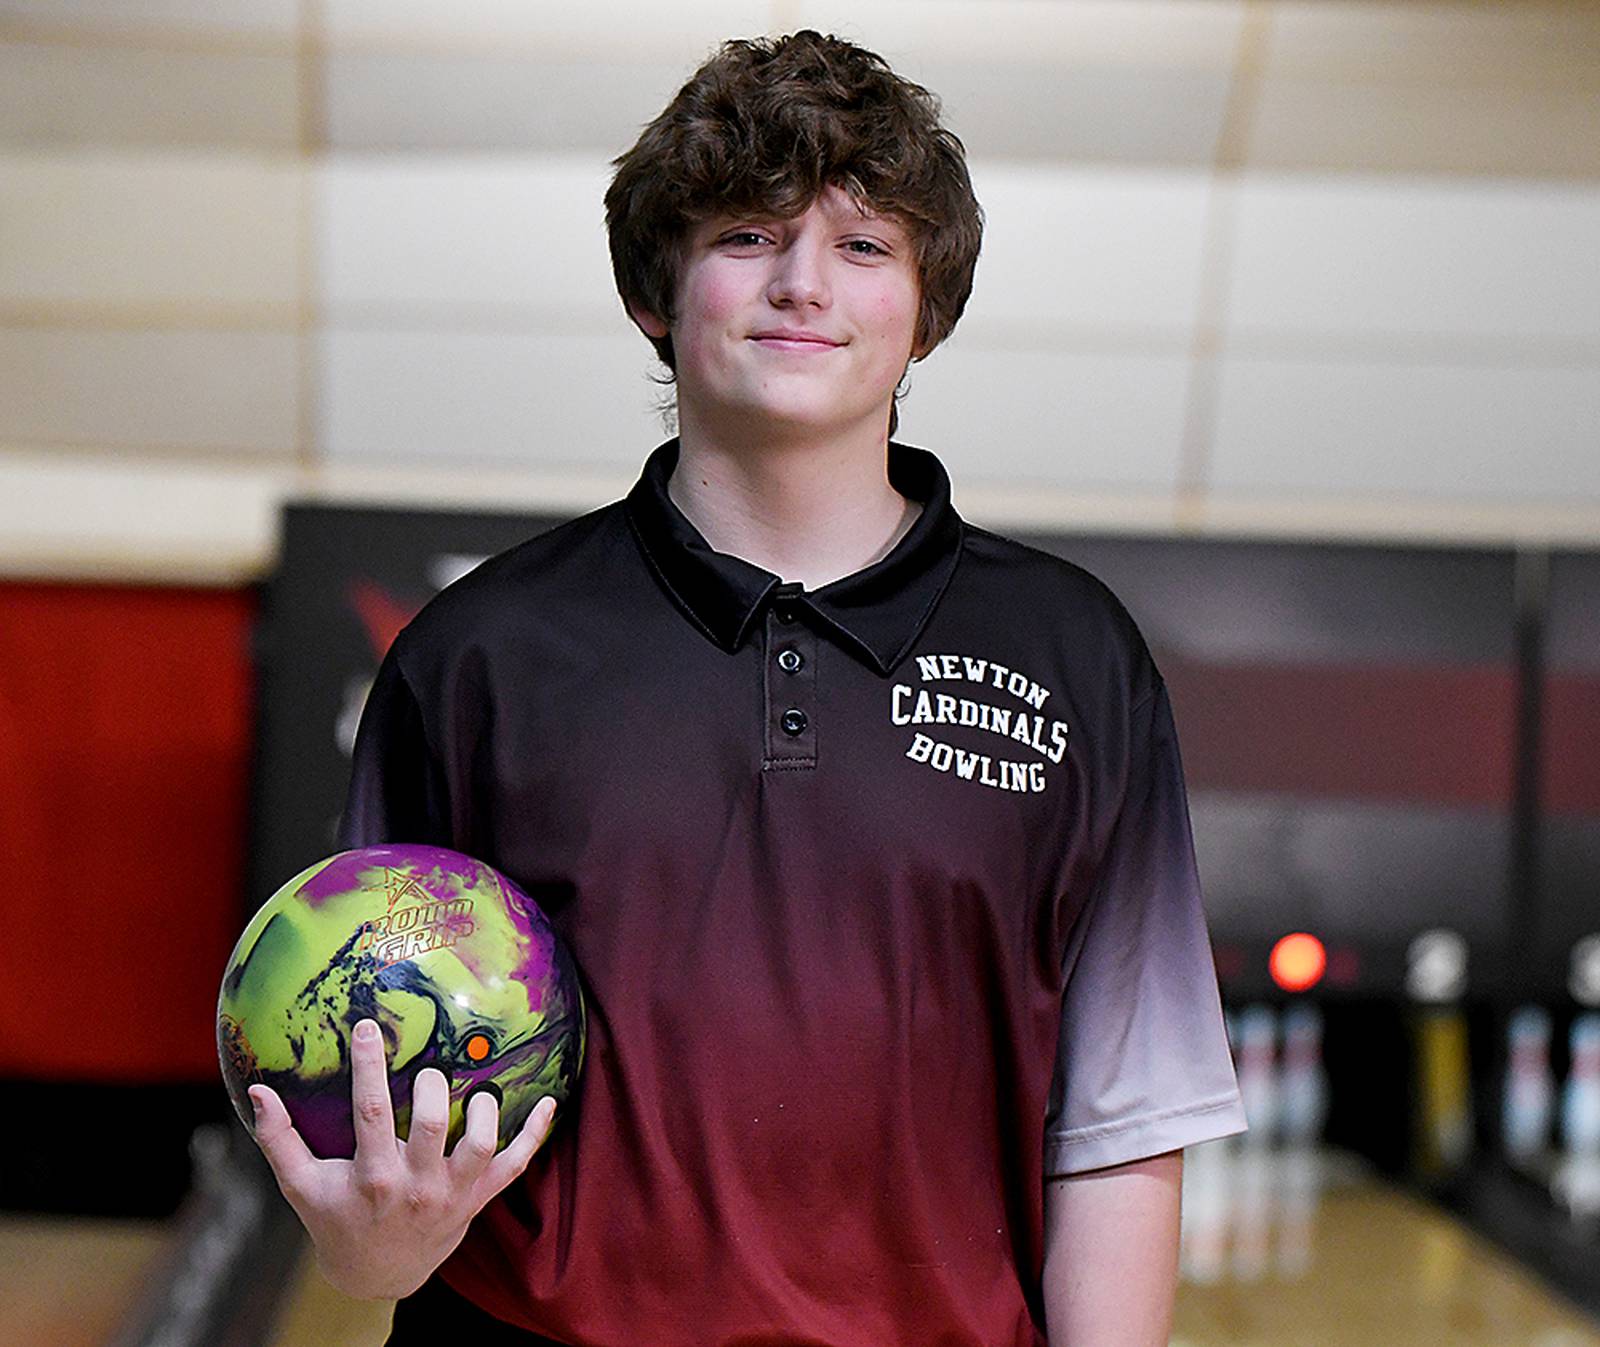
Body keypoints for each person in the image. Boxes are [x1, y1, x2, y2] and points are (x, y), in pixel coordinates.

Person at [247, 30, 1246, 1347]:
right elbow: (363, 1093)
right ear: (656, 294)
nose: (802, 285)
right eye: (746, 237)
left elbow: (1121, 1116)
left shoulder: (1073, 658)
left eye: (863, 246)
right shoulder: (479, 653)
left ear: (925, 311)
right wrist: (366, 1243)